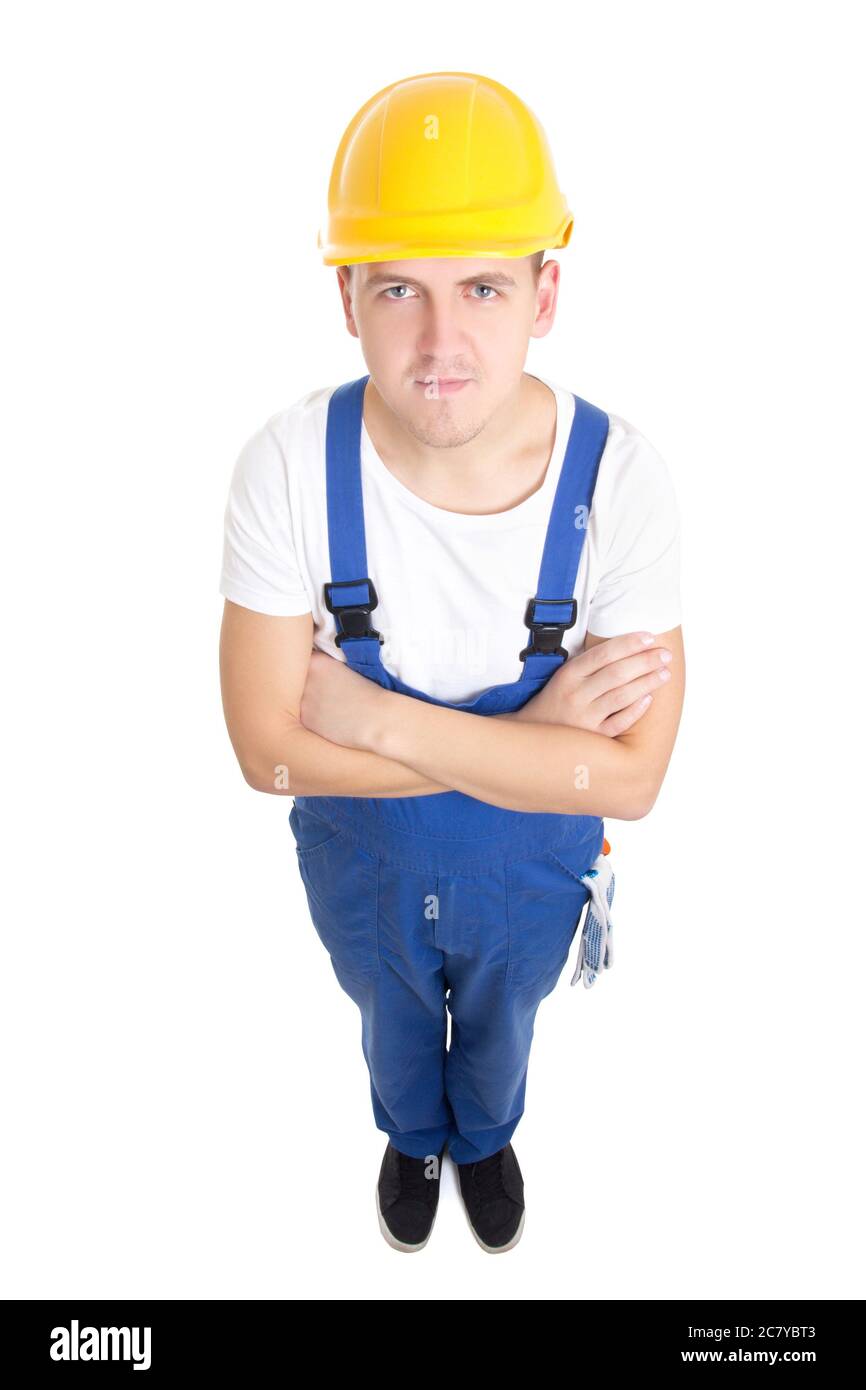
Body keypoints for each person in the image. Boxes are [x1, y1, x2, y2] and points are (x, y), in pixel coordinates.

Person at [218, 70, 685, 1254]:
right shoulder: (285, 467)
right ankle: (411, 1129)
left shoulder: (618, 481)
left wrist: (372, 721)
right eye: (397, 292)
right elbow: (268, 758)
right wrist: (537, 747)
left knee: (501, 1017)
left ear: (544, 292)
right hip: (362, 864)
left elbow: (629, 782)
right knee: (388, 1015)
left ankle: (481, 1133)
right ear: (346, 302)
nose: (439, 344)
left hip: (530, 868)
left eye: (481, 286)